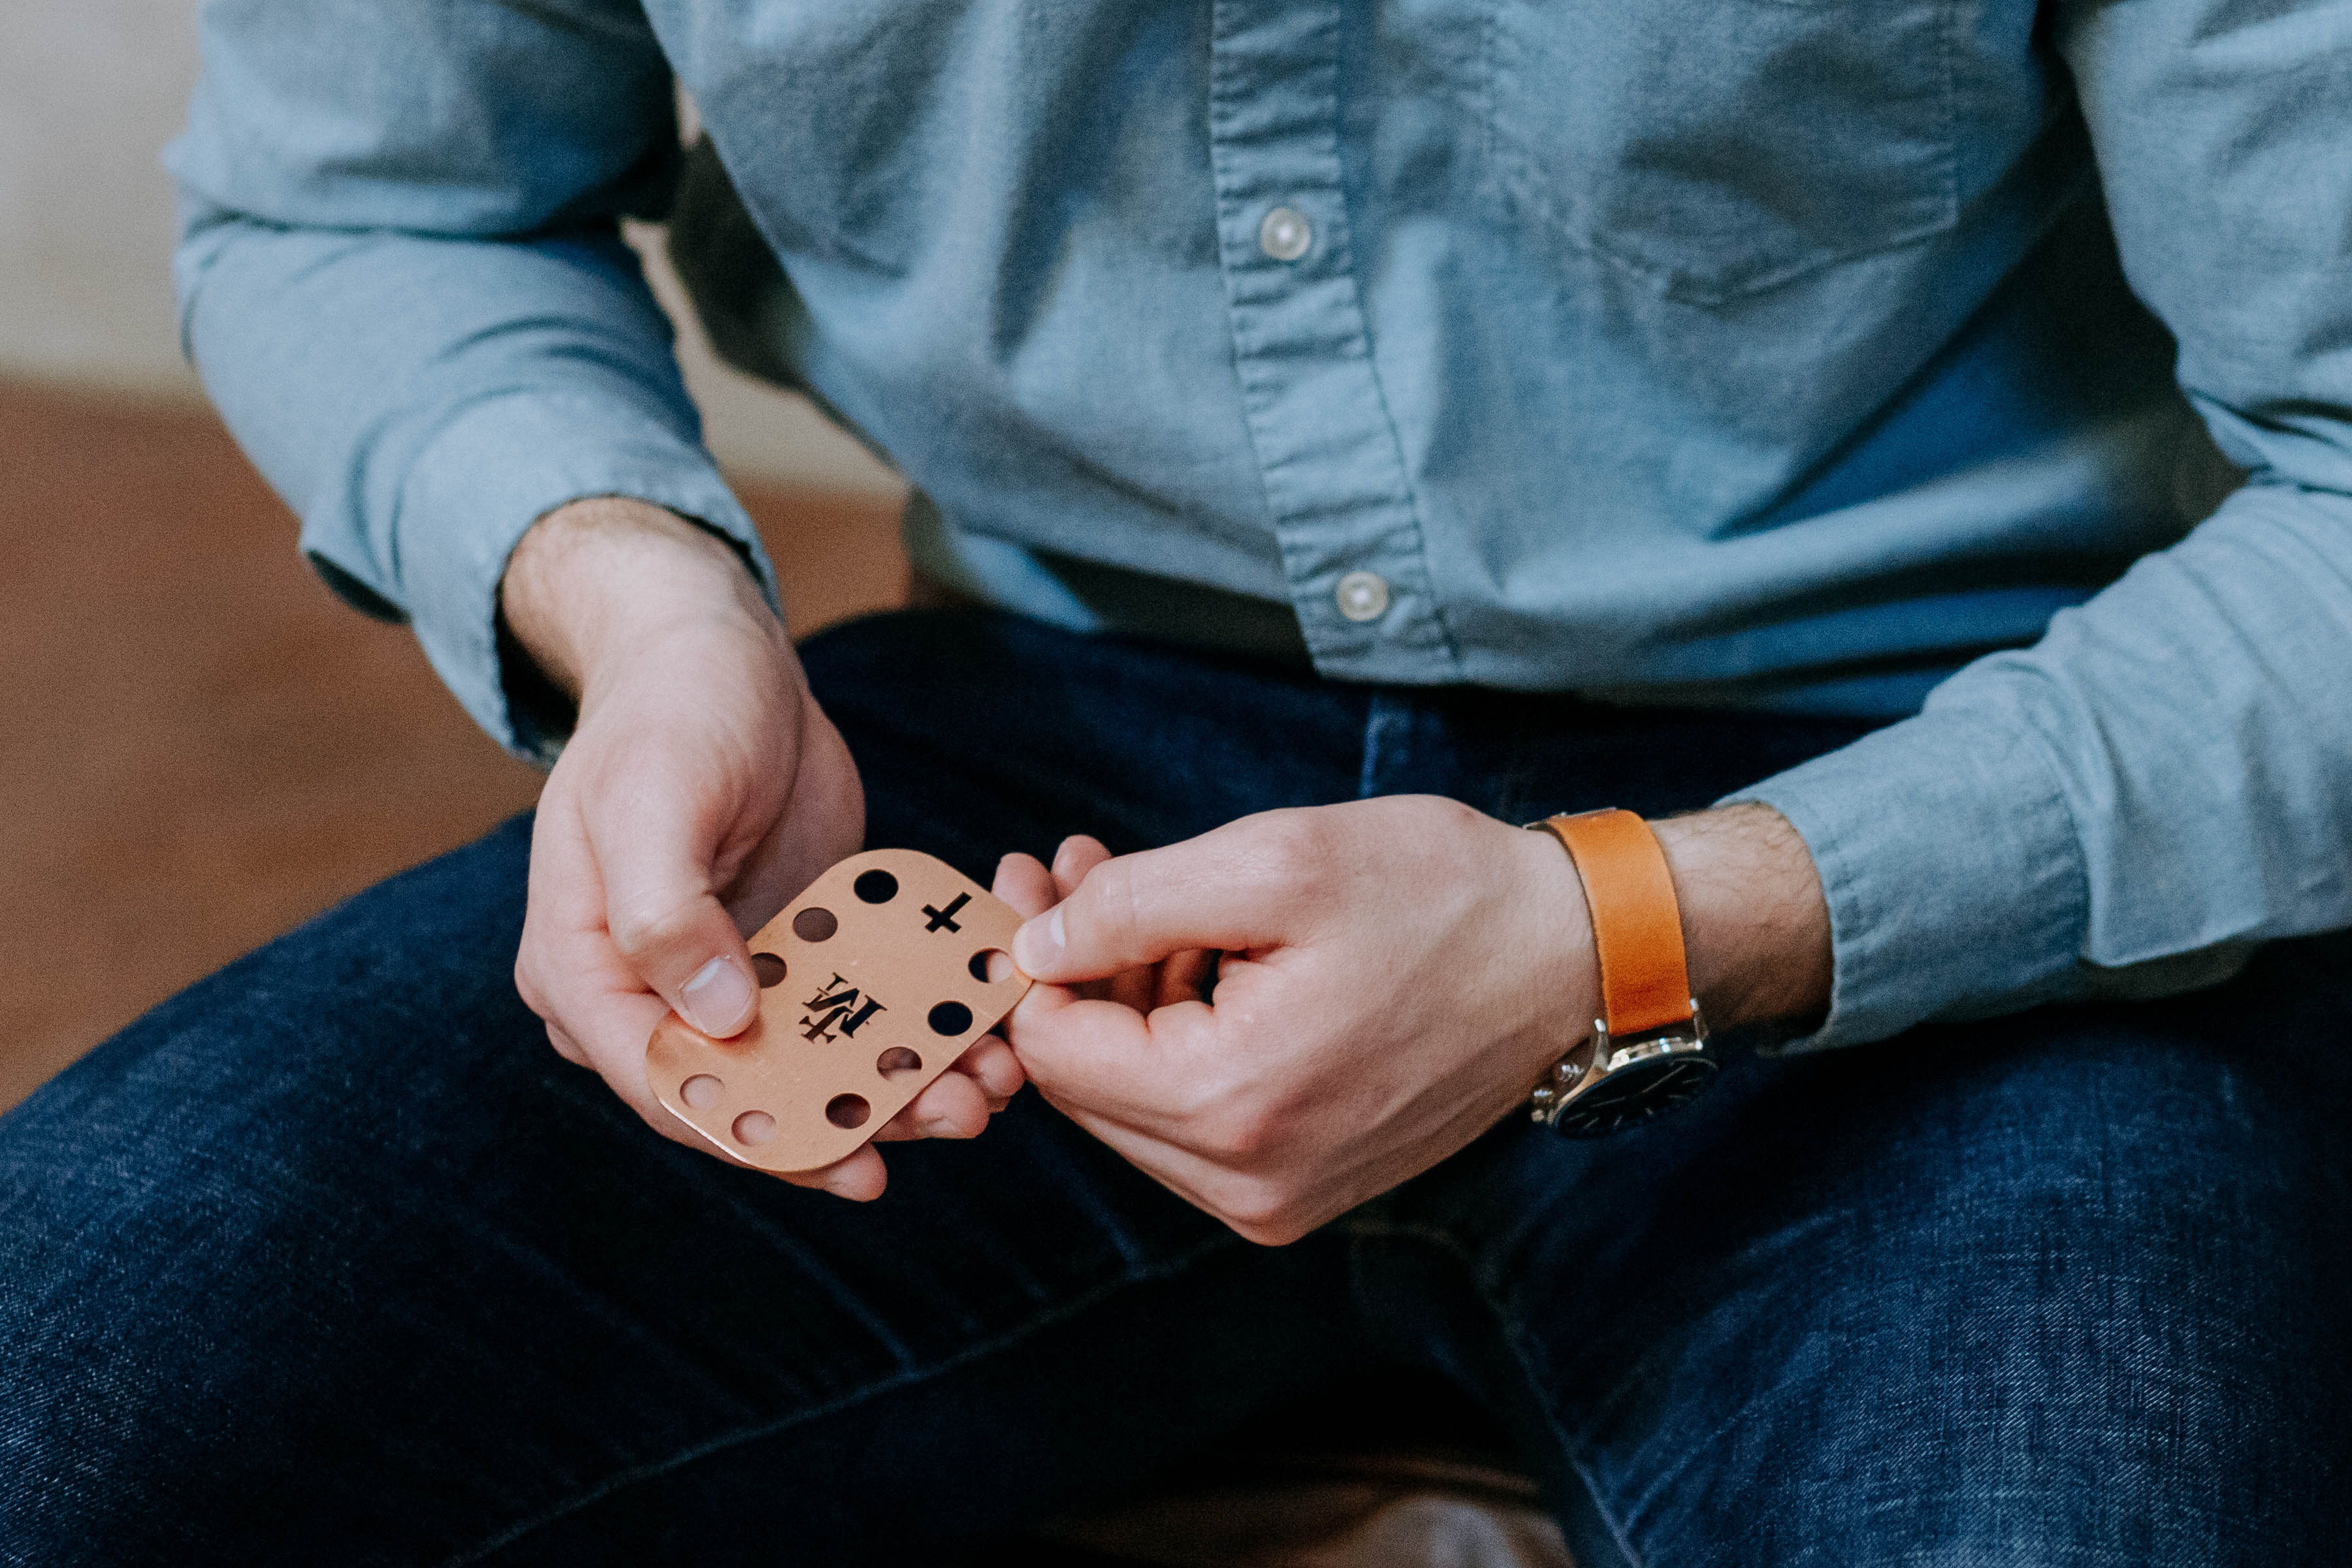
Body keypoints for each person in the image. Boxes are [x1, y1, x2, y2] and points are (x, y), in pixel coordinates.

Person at [3, 0, 2347, 1560]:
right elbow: (367, 194)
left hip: (1925, 811)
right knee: (55, 1396)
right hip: (1011, 741)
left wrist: (1622, 925)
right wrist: (643, 615)